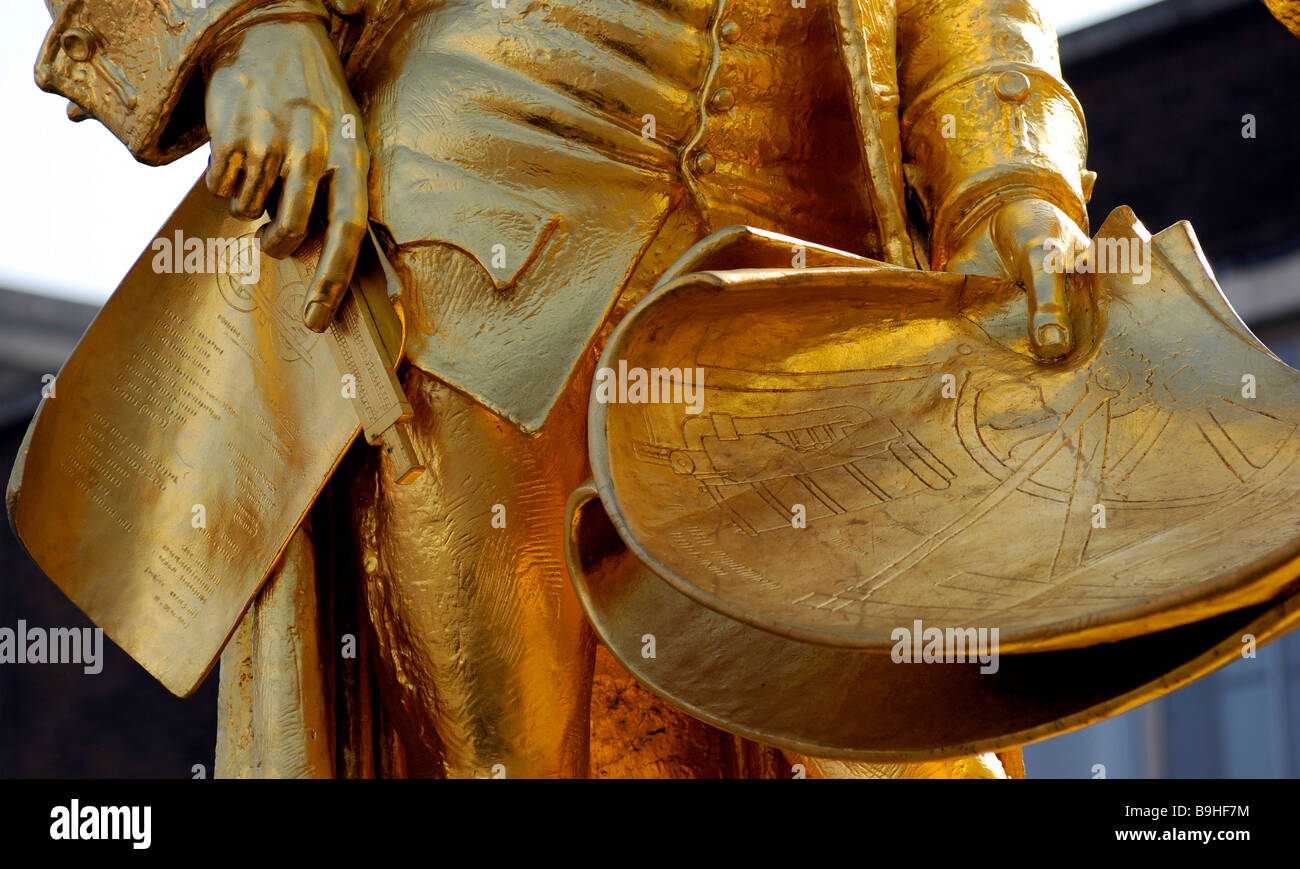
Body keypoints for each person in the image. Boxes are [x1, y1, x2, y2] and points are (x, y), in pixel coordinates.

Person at [34, 0, 1095, 777]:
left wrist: (1013, 179)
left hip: (815, 267)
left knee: (909, 747)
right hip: (469, 222)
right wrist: (248, 26)